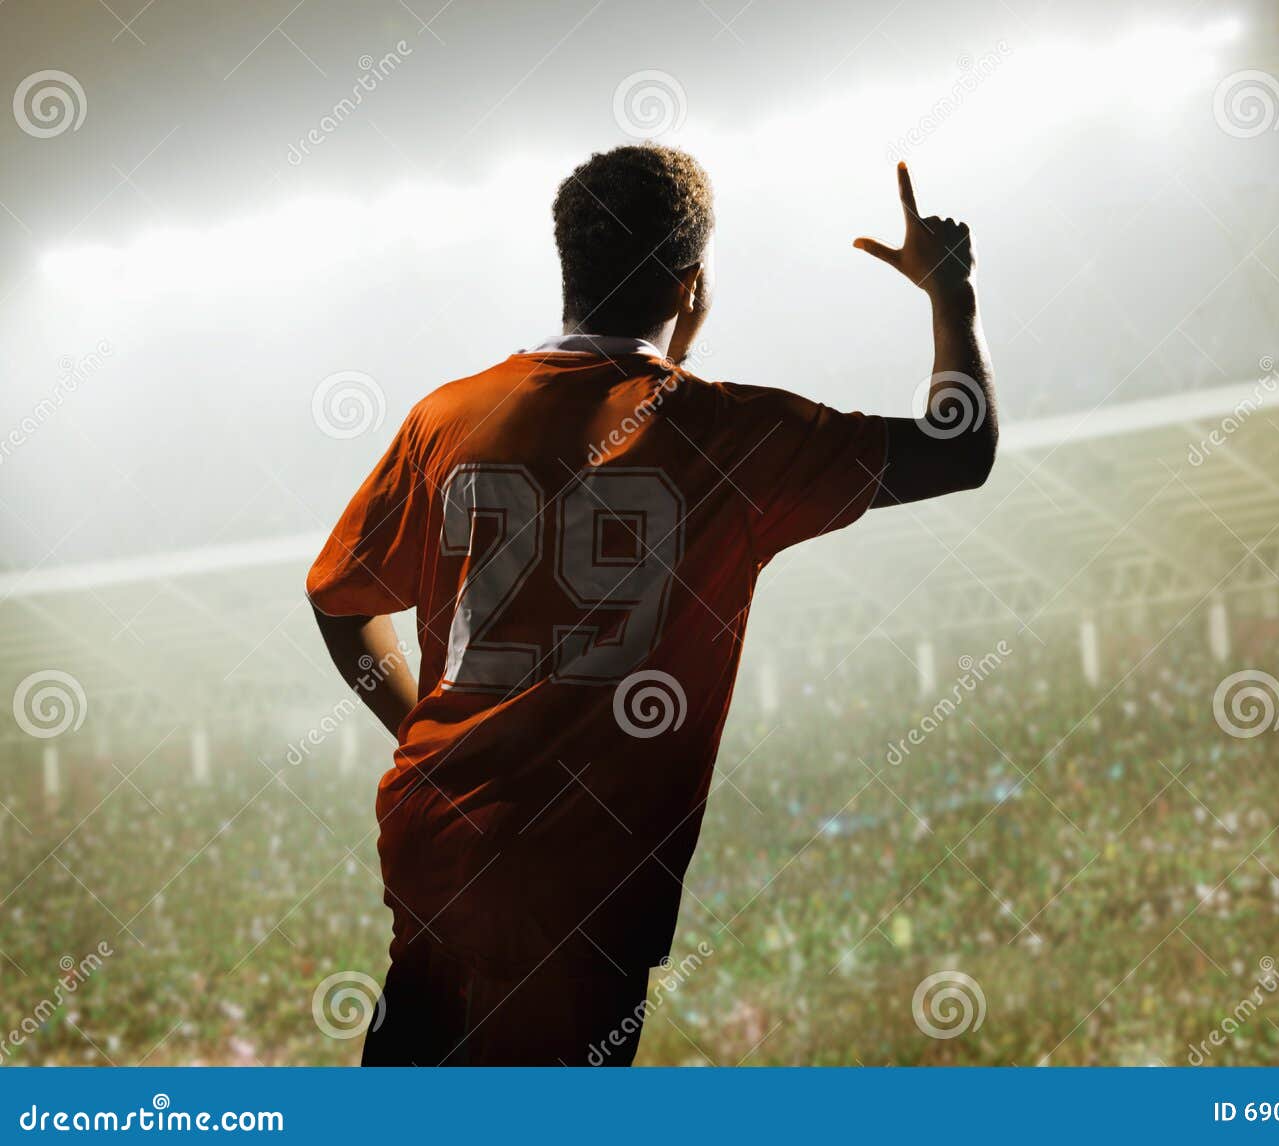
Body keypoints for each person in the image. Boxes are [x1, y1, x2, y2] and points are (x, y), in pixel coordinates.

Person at [306, 144, 997, 1065]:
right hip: (587, 903)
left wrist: (416, 726)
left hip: (444, 860)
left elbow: (338, 598)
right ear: (691, 283)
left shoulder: (446, 417)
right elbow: (962, 449)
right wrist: (950, 296)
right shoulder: (732, 435)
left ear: (567, 267)